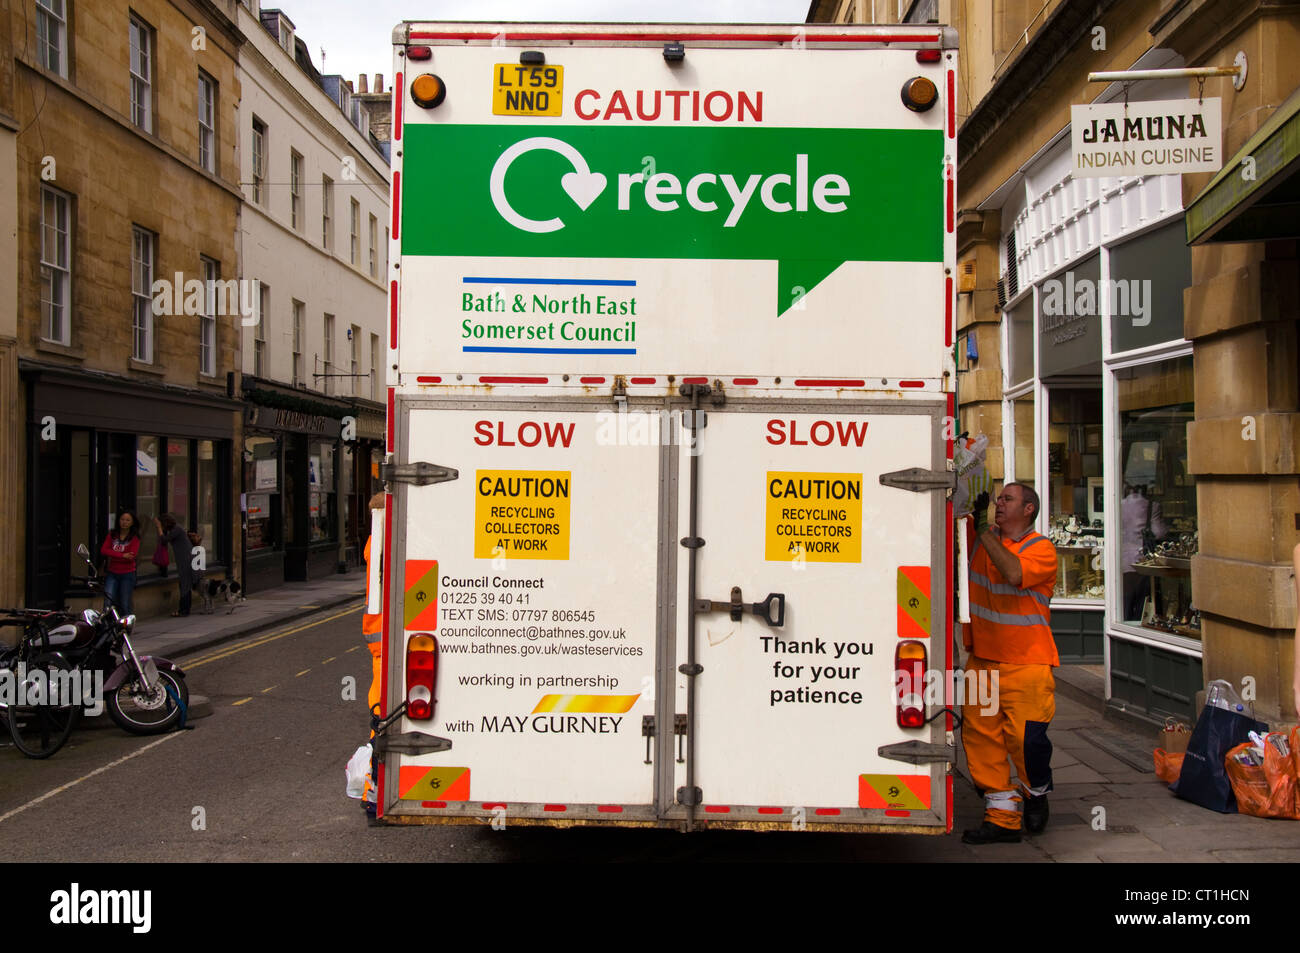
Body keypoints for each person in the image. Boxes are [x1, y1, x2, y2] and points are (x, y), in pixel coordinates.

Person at [961, 482, 1059, 844]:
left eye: (1008, 499)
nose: (999, 504)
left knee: (1026, 741)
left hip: (1027, 664)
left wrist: (984, 533)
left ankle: (1036, 792)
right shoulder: (981, 541)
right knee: (981, 739)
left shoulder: (1041, 548)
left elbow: (1014, 574)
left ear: (1028, 509)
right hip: (983, 662)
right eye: (997, 498)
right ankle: (1001, 818)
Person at [361, 492, 386, 822]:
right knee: (382, 718)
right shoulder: (380, 546)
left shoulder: (372, 546)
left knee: (381, 716)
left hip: (380, 646)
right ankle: (374, 790)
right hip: (384, 645)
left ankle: (374, 790)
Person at [1121, 484, 1166, 620]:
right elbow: (1158, 533)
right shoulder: (1152, 506)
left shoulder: (1118, 504)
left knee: (1125, 600)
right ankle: (1138, 624)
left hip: (1122, 558)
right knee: (1142, 599)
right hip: (1142, 559)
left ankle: (1124, 624)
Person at [100, 510, 141, 614]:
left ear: (132, 523)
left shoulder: (134, 538)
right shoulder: (112, 535)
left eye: (127, 520)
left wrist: (113, 553)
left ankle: (125, 626)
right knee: (108, 600)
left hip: (127, 574)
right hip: (112, 572)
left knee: (124, 602)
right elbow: (104, 550)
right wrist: (122, 555)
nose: (124, 522)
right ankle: (107, 626)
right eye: (122, 519)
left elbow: (131, 556)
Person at [156, 513, 195, 617]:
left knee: (185, 585)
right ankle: (185, 609)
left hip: (185, 560)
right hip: (184, 559)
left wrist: (159, 528)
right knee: (184, 585)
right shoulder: (176, 529)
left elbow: (163, 540)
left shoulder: (176, 530)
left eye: (162, 524)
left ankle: (183, 610)